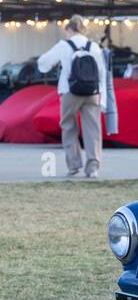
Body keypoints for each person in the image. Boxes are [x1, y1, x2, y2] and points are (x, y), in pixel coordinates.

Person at [36, 15, 116, 178]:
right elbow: (101, 72)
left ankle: (74, 165)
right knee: (93, 129)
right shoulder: (93, 46)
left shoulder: (64, 45)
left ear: (69, 29)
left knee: (68, 127)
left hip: (70, 92)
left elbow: (43, 63)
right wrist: (102, 97)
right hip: (92, 93)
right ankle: (93, 168)